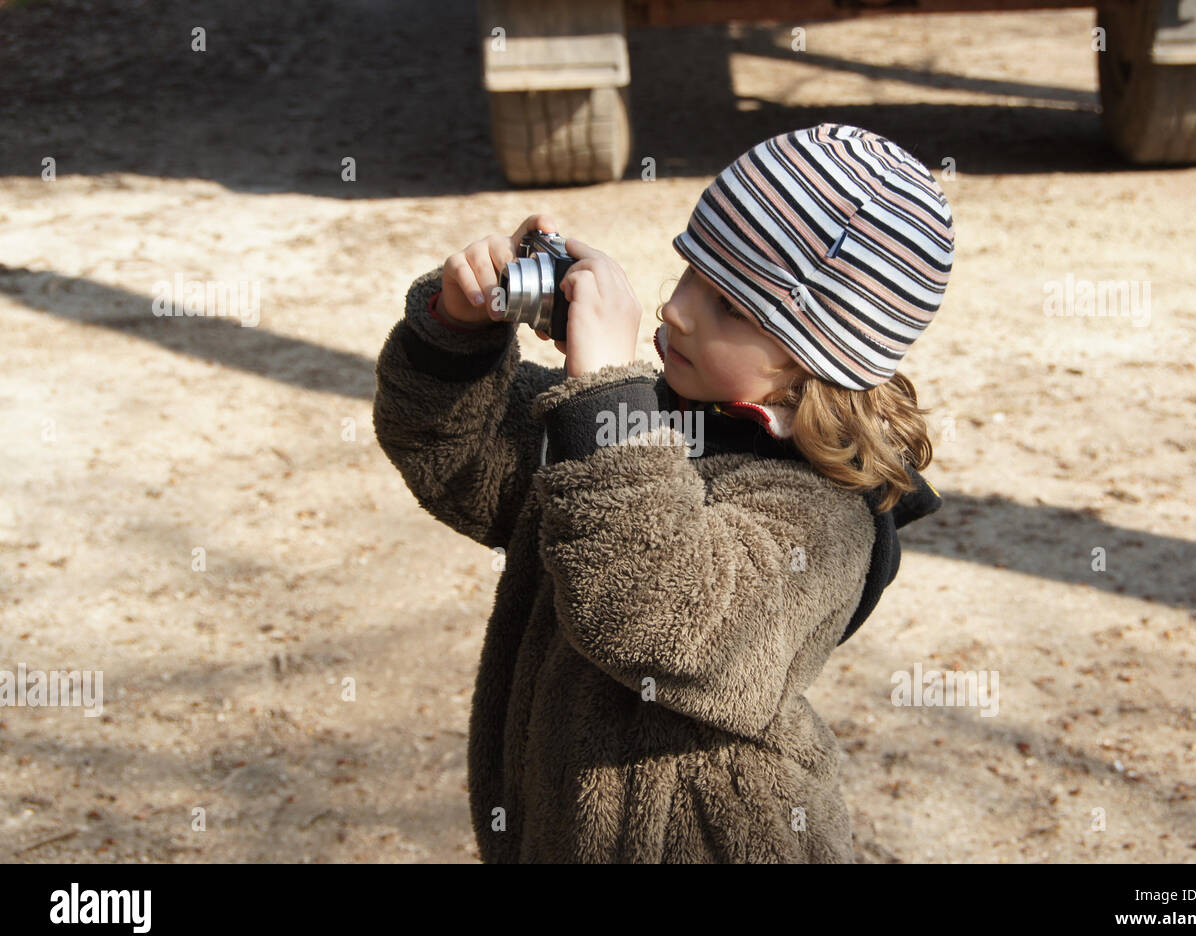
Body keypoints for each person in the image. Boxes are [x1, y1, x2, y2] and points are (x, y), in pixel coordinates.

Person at [371, 123, 955, 863]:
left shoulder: (827, 515)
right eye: (690, 274)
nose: (677, 309)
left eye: (730, 307)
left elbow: (657, 618)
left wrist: (602, 396)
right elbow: (453, 458)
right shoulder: (640, 422)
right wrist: (458, 328)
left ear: (816, 360)